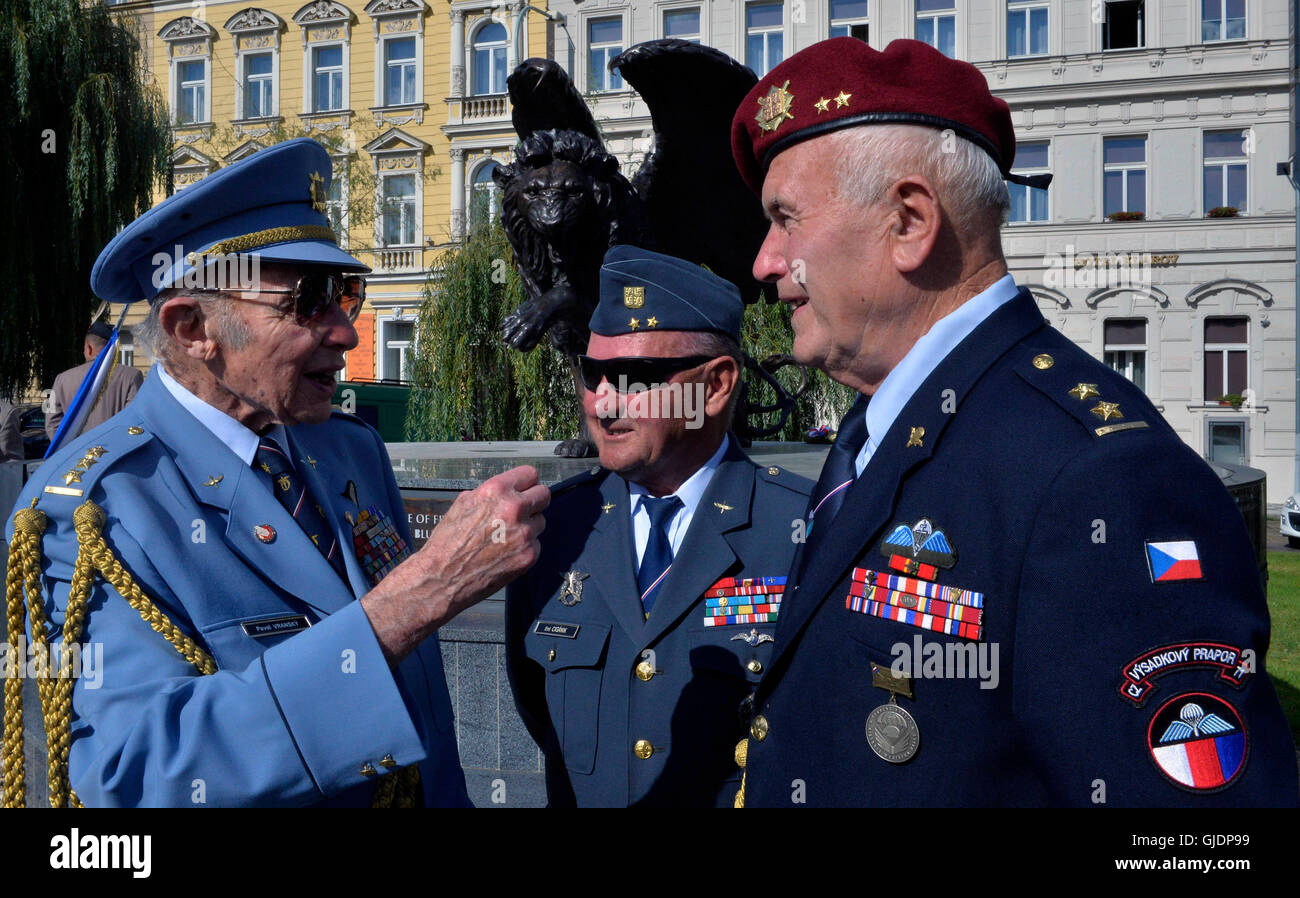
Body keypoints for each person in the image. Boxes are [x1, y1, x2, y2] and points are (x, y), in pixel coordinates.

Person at [727, 37, 1299, 807]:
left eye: (785, 220)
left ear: (909, 221)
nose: (765, 262)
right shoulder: (880, 427)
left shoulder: (1101, 477)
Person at [3, 138, 549, 807]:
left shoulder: (346, 448)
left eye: (346, 295)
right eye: (309, 302)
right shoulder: (95, 510)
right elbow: (131, 774)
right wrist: (413, 600)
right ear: (192, 327)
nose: (347, 332)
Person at [505, 245, 812, 806]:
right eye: (593, 372)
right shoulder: (554, 531)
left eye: (634, 376)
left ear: (715, 386)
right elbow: (537, 710)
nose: (602, 401)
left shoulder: (803, 531)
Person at [44, 321, 143, 441]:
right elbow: (135, 420)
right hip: (115, 455)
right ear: (115, 348)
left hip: (75, 456)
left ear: (89, 348)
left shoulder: (62, 379)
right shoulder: (132, 376)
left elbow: (51, 424)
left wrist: (70, 450)